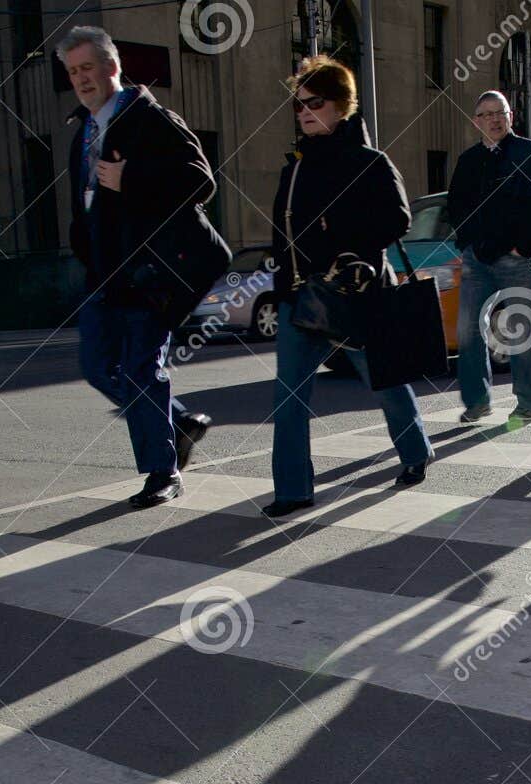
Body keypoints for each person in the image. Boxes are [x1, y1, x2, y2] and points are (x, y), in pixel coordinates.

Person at [60, 26, 224, 508]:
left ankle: (162, 472)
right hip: (104, 276)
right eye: (72, 72)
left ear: (112, 66)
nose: (81, 79)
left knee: (140, 371)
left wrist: (133, 178)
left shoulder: (151, 119)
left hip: (150, 274)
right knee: (96, 367)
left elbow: (201, 181)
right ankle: (179, 423)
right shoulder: (83, 132)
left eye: (87, 67)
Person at [264, 55, 434, 518]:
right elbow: (283, 236)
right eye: (298, 105)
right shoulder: (293, 169)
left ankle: (416, 451)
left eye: (313, 103)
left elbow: (397, 218)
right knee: (289, 395)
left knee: (386, 382)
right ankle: (294, 489)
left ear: (341, 105)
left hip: (359, 295)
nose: (303, 112)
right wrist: (283, 290)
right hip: (303, 298)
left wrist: (348, 246)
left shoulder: (370, 161)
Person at [445, 91, 531, 424]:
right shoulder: (468, 160)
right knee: (468, 330)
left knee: (523, 330)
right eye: (486, 115)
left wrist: (524, 246)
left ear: (511, 117)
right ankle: (477, 401)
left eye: (500, 113)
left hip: (518, 259)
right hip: (476, 259)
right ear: (476, 121)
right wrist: (467, 243)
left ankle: (530, 402)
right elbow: (455, 206)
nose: (494, 120)